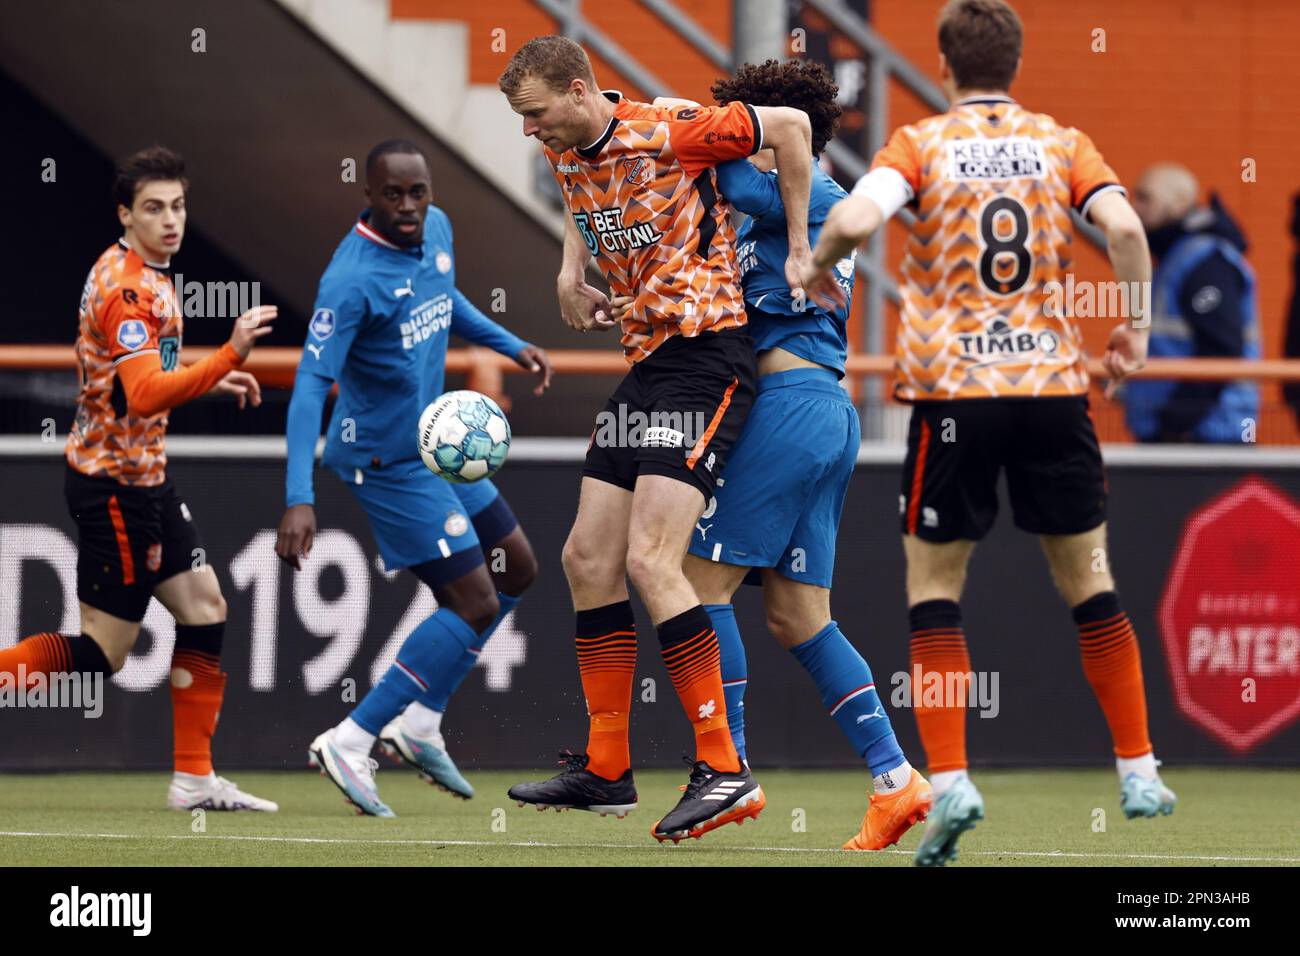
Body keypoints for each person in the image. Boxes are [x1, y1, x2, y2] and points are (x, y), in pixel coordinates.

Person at [804, 0, 1176, 867]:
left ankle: (955, 779)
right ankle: (1138, 768)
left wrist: (813, 265)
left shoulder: (922, 146)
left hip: (955, 394)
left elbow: (857, 220)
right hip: (1052, 389)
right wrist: (1134, 328)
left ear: (942, 62)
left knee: (935, 587)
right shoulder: (1059, 141)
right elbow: (1123, 227)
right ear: (1013, 62)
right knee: (1090, 579)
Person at [498, 35, 815, 842]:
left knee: (650, 560)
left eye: (536, 115)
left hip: (707, 358)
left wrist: (805, 246)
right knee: (585, 559)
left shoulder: (672, 126)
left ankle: (725, 769)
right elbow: (584, 196)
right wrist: (570, 270)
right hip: (647, 366)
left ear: (578, 90)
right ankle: (606, 769)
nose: (531, 132)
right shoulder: (569, 146)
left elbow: (791, 132)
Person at [623, 59, 933, 853]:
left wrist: (649, 123)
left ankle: (726, 768)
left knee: (695, 583)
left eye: (747, 128)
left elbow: (706, 171)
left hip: (791, 408)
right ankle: (896, 780)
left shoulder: (809, 194)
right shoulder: (803, 200)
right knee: (799, 616)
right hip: (820, 412)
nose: (739, 141)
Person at [276, 139, 552, 817]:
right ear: (367, 195)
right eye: (393, 194)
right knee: (474, 602)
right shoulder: (350, 281)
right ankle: (352, 737)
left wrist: (507, 343)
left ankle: (421, 723)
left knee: (516, 569)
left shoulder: (437, 229)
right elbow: (312, 383)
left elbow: (444, 299)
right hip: (382, 461)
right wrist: (298, 496)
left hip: (432, 445)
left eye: (417, 192)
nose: (408, 207)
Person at [0, 146, 279, 812]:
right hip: (114, 490)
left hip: (145, 481)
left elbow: (145, 387)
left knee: (205, 606)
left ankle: (192, 779)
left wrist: (212, 380)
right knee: (104, 655)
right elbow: (146, 393)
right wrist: (230, 355)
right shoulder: (127, 289)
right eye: (153, 207)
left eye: (178, 206)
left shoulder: (155, 275)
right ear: (125, 214)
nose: (170, 219)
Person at [1125, 163, 1259, 442]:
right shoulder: (1176, 259)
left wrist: (1172, 423)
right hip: (1183, 434)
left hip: (1205, 439)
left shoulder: (1204, 262)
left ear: (1178, 204)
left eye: (1145, 197)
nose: (1134, 206)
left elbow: (1220, 349)